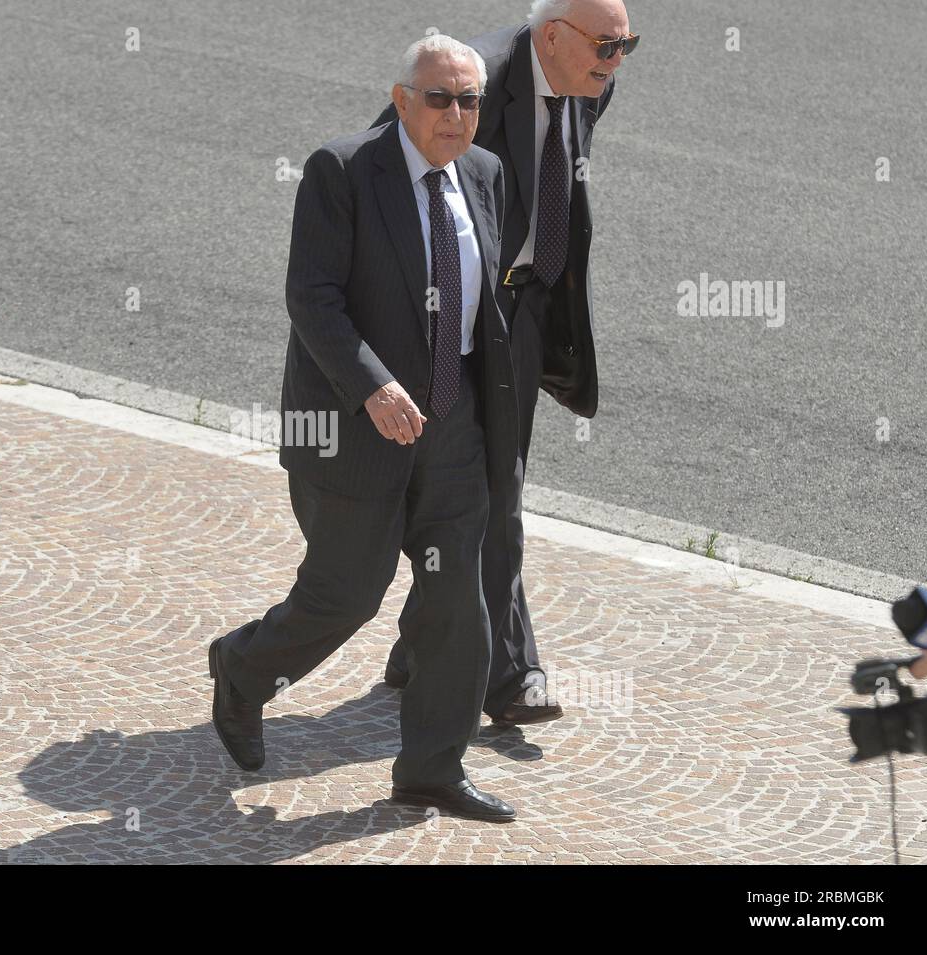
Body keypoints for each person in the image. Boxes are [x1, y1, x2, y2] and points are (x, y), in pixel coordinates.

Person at [208, 34, 523, 822]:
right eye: (441, 98)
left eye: (471, 100)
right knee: (347, 594)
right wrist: (373, 386)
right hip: (357, 429)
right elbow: (312, 297)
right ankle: (244, 672)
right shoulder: (342, 170)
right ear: (402, 99)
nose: (458, 115)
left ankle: (430, 771)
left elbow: (488, 301)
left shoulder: (484, 174)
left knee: (458, 603)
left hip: (453, 432)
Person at [375, 0, 637, 728]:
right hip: (452, 315)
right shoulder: (471, 81)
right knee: (495, 494)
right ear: (551, 36)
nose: (616, 63)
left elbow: (550, 170)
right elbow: (379, 168)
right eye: (605, 47)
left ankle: (420, 645)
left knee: (487, 488)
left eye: (626, 46)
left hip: (517, 316)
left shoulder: (588, 78)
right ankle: (508, 672)